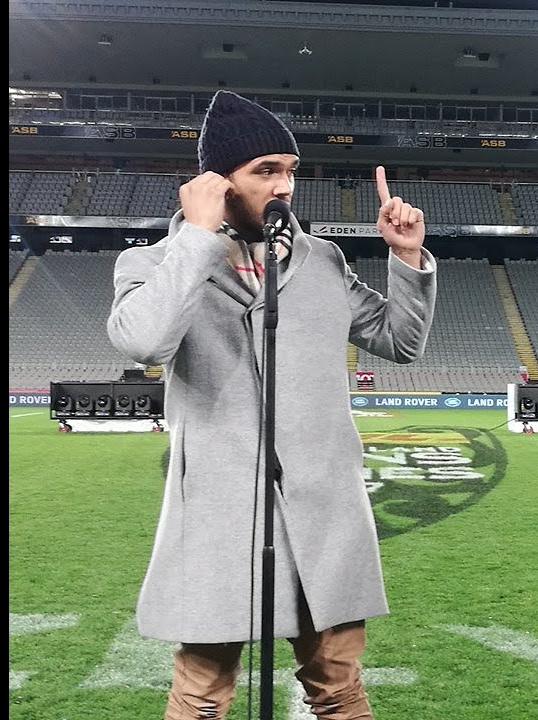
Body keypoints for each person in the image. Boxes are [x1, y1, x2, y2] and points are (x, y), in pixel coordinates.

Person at [106, 89, 437, 720]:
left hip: (325, 511)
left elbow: (400, 341)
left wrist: (406, 258)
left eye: (290, 170)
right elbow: (143, 340)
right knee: (201, 694)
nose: (284, 186)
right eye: (266, 171)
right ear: (215, 184)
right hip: (220, 515)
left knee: (339, 687)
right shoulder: (153, 264)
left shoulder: (321, 260)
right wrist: (199, 239)